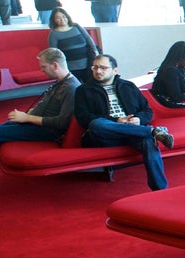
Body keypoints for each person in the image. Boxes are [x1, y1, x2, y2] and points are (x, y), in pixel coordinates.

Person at [0, 49, 79, 196]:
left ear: (55, 65)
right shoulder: (61, 82)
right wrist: (29, 113)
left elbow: (61, 123)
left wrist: (27, 118)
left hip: (45, 131)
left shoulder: (71, 88)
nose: (41, 71)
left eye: (43, 67)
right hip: (34, 124)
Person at [74, 54, 175, 191]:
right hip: (104, 136)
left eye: (103, 68)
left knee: (148, 141)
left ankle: (160, 190)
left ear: (115, 70)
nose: (98, 71)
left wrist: (138, 119)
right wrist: (116, 120)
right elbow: (83, 118)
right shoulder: (83, 90)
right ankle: (153, 131)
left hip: (132, 132)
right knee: (96, 124)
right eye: (95, 67)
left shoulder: (128, 86)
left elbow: (147, 111)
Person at [47, 6, 99, 84]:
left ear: (67, 17)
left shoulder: (76, 26)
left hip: (87, 63)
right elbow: (54, 52)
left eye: (63, 16)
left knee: (92, 84)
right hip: (71, 67)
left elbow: (88, 38)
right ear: (54, 20)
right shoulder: (54, 34)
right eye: (58, 18)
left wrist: (95, 50)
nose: (62, 19)